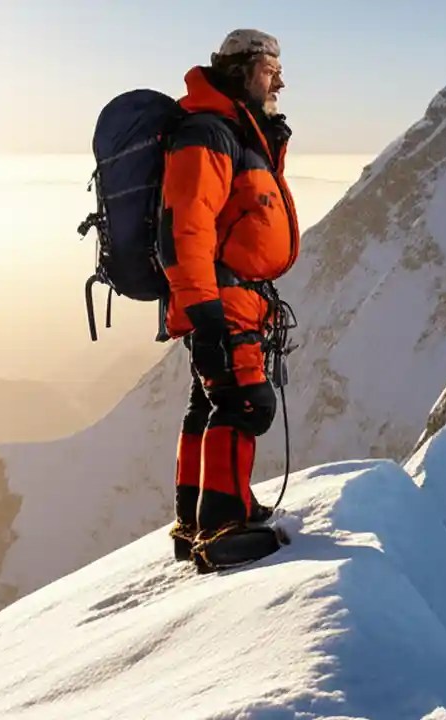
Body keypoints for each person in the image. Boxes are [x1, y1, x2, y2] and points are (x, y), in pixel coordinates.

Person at [159, 29, 299, 566]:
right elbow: (185, 228)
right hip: (220, 297)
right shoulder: (209, 133)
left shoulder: (237, 131)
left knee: (209, 401)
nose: (279, 81)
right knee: (245, 403)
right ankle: (221, 530)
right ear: (241, 71)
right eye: (269, 70)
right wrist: (205, 314)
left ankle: (196, 516)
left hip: (233, 295)